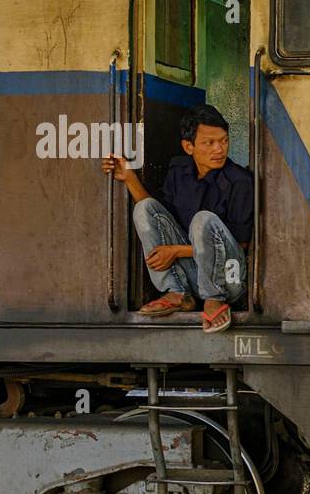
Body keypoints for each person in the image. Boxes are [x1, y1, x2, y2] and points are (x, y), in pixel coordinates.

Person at [101, 105, 253, 333]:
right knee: (144, 208)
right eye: (209, 143)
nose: (219, 149)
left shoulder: (240, 181)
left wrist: (175, 251)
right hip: (195, 277)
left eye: (223, 141)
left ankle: (215, 299)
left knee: (203, 219)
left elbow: (240, 245)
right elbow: (161, 220)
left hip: (229, 279)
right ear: (188, 146)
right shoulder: (178, 170)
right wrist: (129, 178)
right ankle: (178, 292)